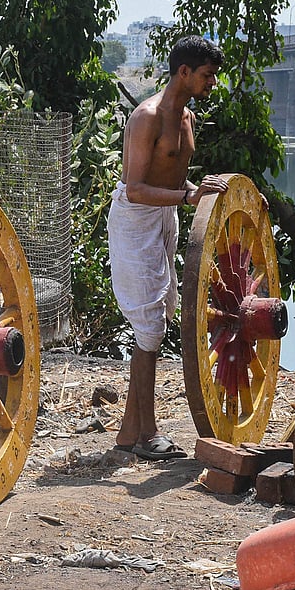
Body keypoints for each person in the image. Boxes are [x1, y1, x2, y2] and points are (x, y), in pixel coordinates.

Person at [107, 35, 229, 461]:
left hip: (165, 216)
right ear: (184, 73)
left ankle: (128, 434)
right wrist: (187, 198)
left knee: (159, 317)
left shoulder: (188, 119)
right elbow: (137, 189)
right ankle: (148, 434)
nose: (212, 82)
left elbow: (176, 181)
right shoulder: (146, 118)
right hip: (137, 219)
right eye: (207, 75)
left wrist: (202, 190)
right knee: (149, 328)